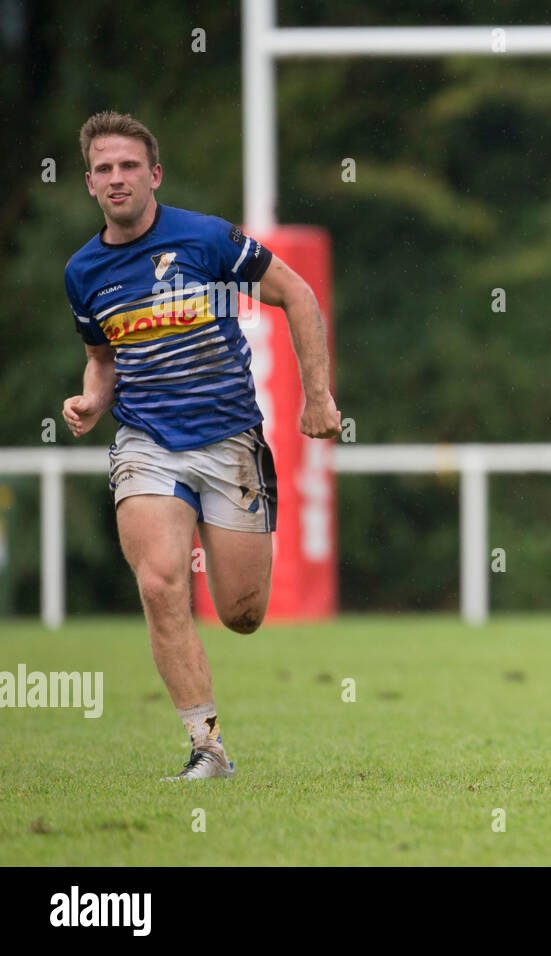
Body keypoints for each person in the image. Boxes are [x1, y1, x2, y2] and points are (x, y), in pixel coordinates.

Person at [61, 111, 342, 779]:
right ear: (90, 185)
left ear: (154, 174)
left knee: (242, 612)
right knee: (160, 583)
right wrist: (91, 400)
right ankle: (206, 745)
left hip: (229, 439)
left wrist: (319, 397)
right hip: (147, 441)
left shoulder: (208, 240)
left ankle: (213, 722)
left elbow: (298, 295)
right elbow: (103, 361)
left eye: (129, 165)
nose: (117, 178)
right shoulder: (83, 272)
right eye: (104, 168)